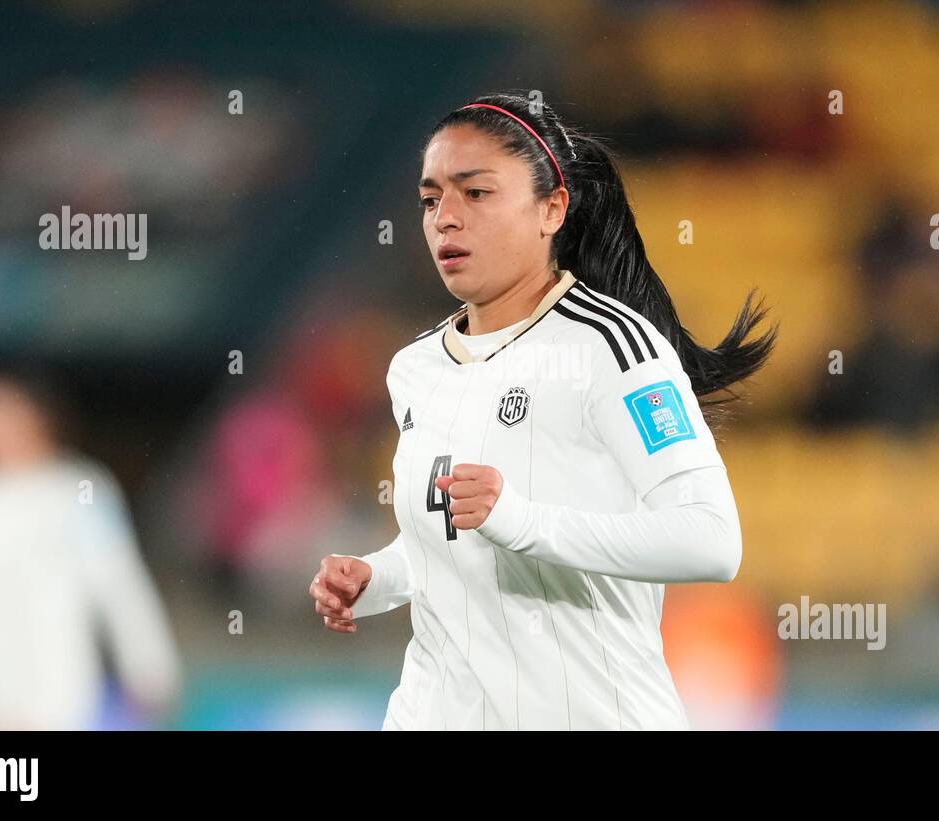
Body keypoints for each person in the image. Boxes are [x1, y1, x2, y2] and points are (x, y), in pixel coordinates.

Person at [309, 93, 776, 730]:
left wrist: (520, 520)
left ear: (552, 208)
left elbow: (712, 541)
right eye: (430, 199)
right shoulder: (416, 368)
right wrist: (378, 578)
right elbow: (452, 548)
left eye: (475, 194)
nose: (445, 218)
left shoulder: (612, 349)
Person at [0, 367, 182, 729]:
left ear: (29, 416)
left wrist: (149, 666)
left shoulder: (80, 491)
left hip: (57, 681)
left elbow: (117, 583)